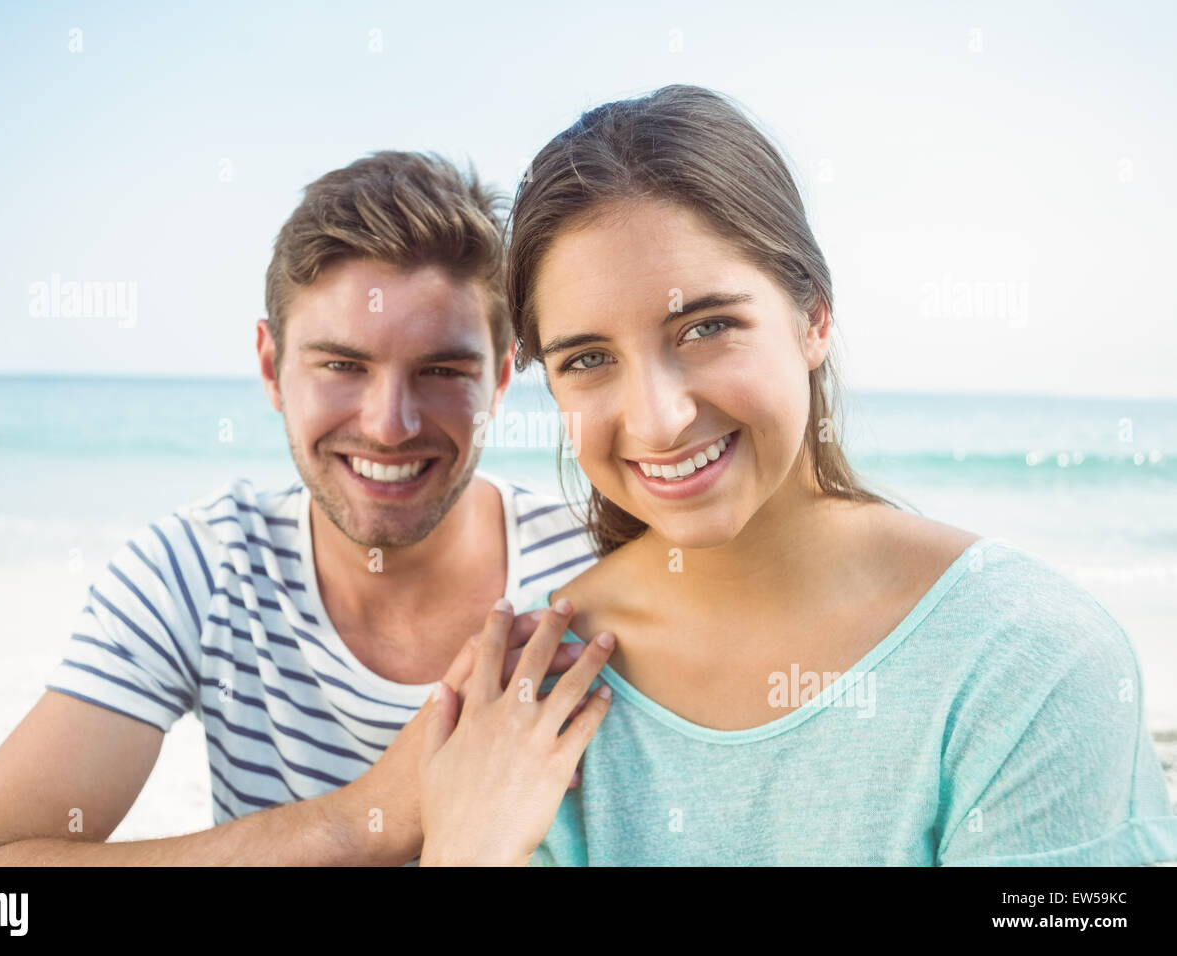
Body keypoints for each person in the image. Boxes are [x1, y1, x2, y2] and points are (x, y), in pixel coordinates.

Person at [416, 85, 1177, 866]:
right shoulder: (528, 695)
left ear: (813, 316)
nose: (656, 419)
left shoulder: (1028, 662)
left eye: (706, 328)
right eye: (588, 360)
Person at [0, 151, 601, 866]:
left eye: (441, 370)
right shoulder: (203, 569)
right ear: (269, 364)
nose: (389, 424)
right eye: (342, 365)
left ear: (498, 379)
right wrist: (358, 820)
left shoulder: (591, 576)